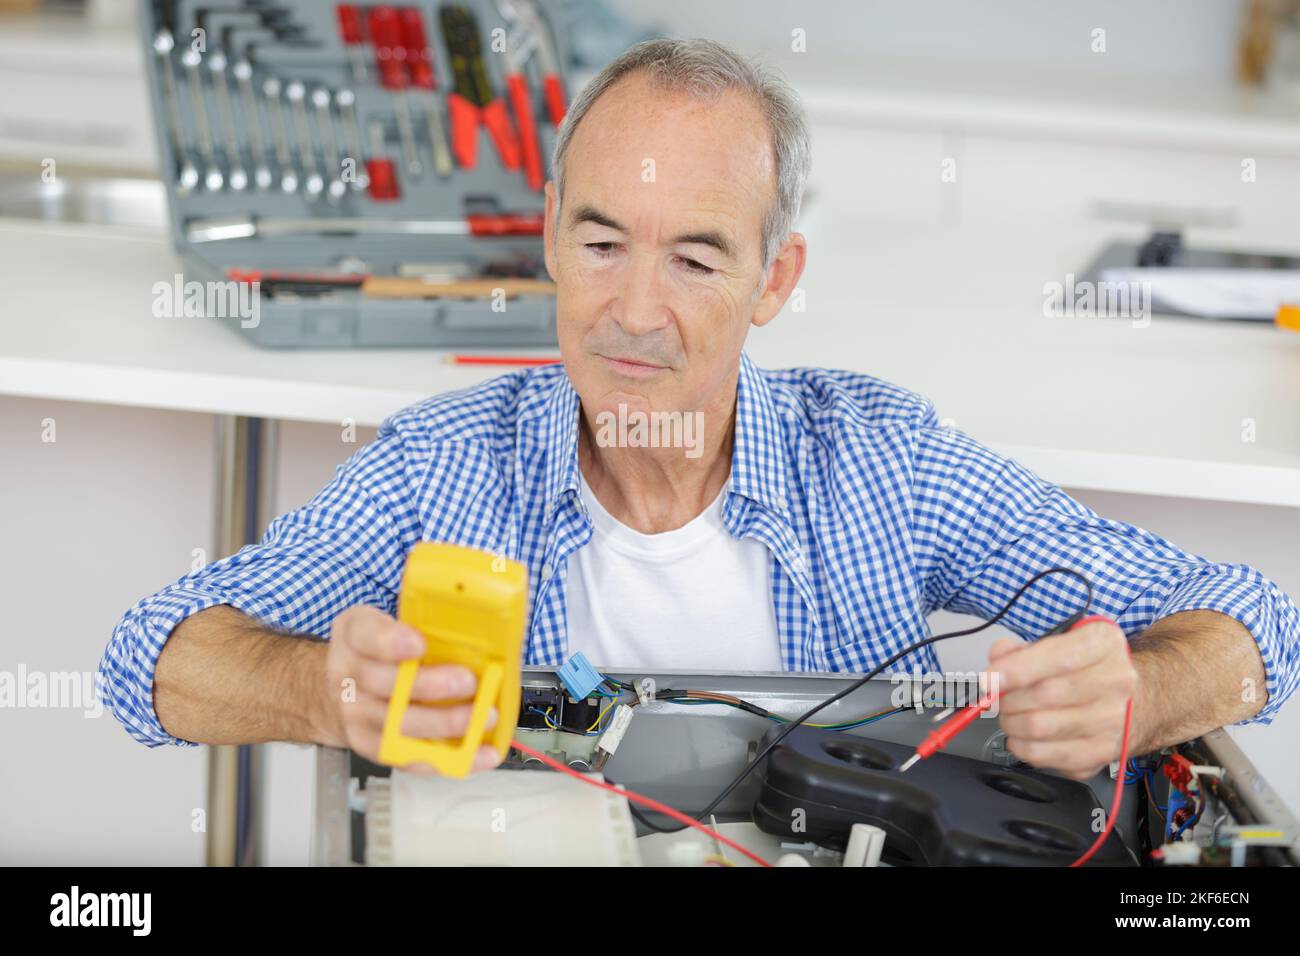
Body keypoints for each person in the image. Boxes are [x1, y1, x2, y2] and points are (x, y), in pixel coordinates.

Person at [100, 38, 1299, 782]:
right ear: (549, 237)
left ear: (774, 280)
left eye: (694, 259)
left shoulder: (879, 462)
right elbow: (144, 659)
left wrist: (1142, 695)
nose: (632, 311)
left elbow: (1257, 623)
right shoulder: (443, 467)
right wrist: (321, 689)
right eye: (601, 243)